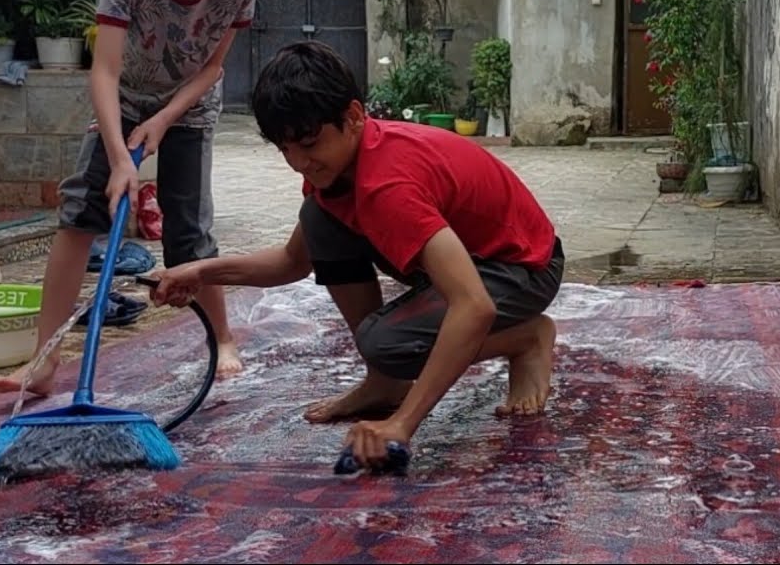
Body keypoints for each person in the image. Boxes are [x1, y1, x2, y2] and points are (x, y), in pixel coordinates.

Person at [149, 40, 565, 468]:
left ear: (352, 117)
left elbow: (473, 305)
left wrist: (401, 425)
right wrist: (200, 271)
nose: (299, 163)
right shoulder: (339, 167)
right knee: (319, 218)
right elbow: (293, 261)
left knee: (387, 342)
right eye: (285, 150)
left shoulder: (388, 185)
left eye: (309, 144)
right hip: (474, 260)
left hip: (523, 269)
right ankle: (385, 382)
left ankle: (526, 337)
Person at [0, 0, 258, 396]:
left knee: (190, 234)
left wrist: (164, 120)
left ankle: (223, 338)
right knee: (79, 216)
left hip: (188, 107)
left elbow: (212, 69)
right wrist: (119, 157)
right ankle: (43, 361)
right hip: (124, 98)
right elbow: (105, 71)